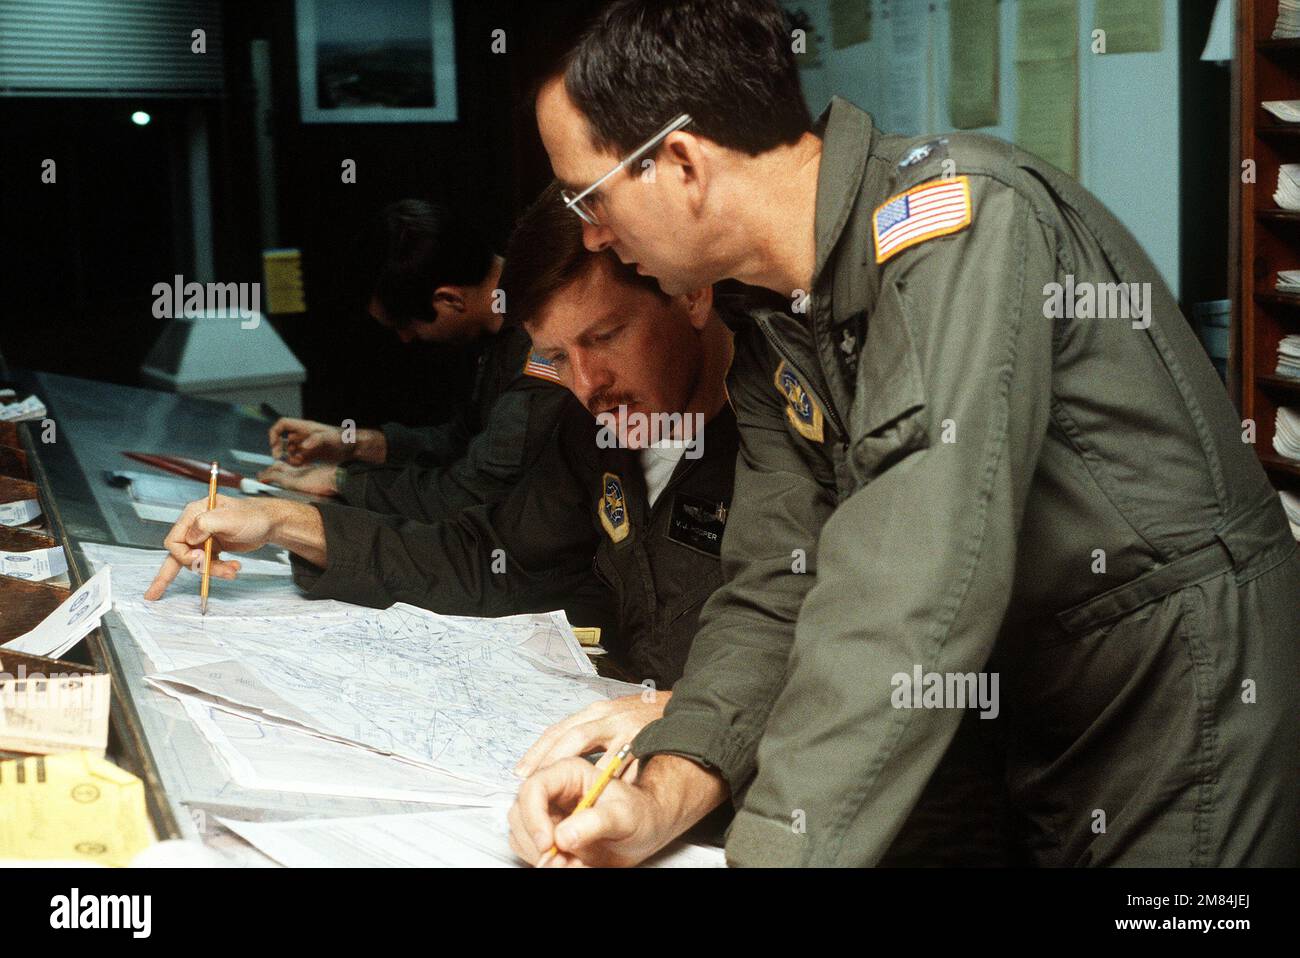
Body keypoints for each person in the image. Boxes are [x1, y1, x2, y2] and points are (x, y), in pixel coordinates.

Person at [508, 0, 1300, 868]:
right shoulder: (772, 319)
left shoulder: (957, 226)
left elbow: (909, 585)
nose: (591, 232)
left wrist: (771, 855)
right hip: (1041, 703)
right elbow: (779, 586)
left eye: (590, 194)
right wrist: (659, 791)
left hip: (1177, 691)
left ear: (684, 164)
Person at [144, 185, 738, 696]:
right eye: (555, 358)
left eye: (606, 337)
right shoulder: (596, 427)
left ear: (690, 292)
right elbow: (491, 556)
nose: (584, 386)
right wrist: (284, 521)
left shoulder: (784, 445)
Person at [261, 198, 570, 525]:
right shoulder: (502, 327)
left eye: (406, 325)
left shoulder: (542, 342)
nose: (407, 339)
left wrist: (342, 481)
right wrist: (350, 444)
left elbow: (474, 489)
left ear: (449, 299)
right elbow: (461, 444)